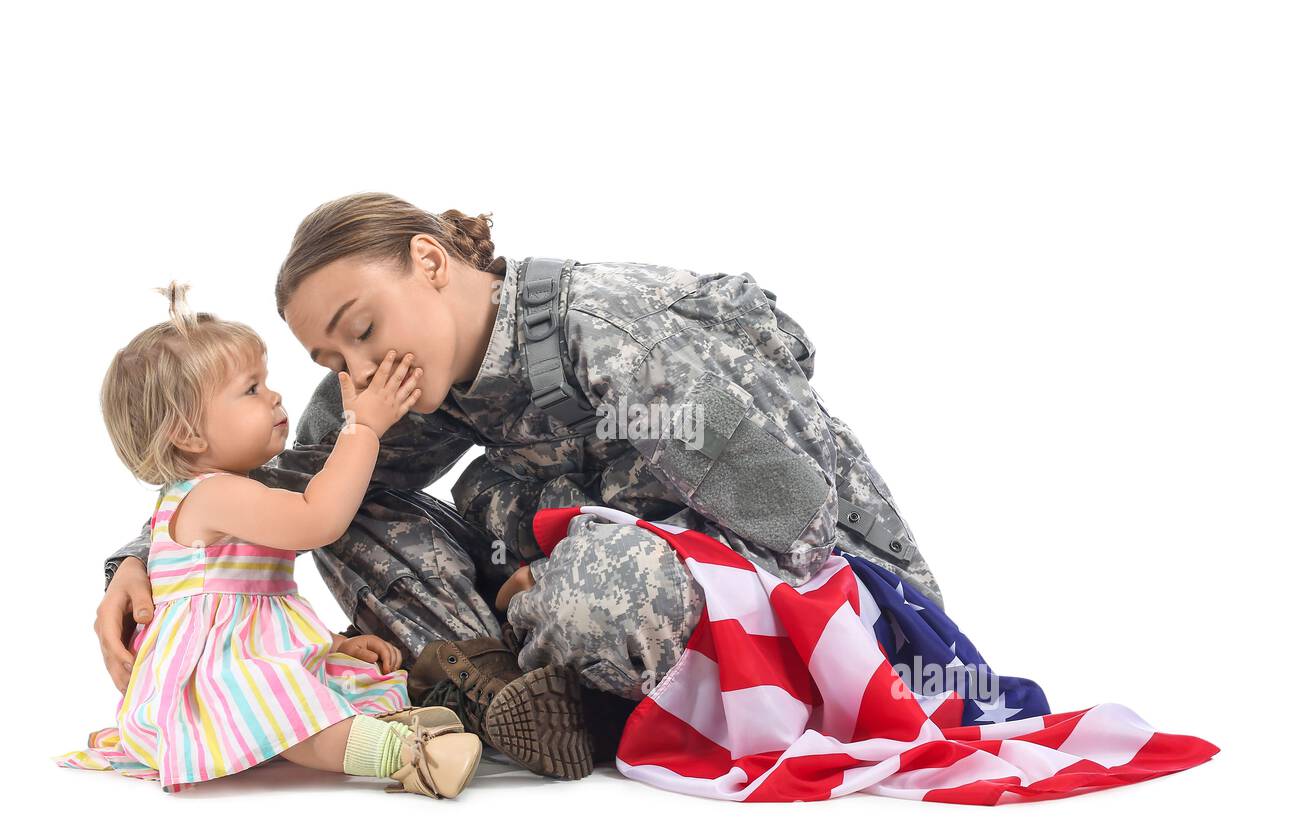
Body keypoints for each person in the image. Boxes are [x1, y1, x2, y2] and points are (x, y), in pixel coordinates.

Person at [96, 193, 946, 781]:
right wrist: (147, 557)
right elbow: (285, 496)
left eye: (361, 330)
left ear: (428, 261)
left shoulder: (601, 332)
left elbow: (788, 509)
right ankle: (509, 694)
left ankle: (561, 671)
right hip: (587, 594)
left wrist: (572, 554)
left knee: (594, 593)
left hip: (809, 579)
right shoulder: (396, 381)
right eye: (332, 360)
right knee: (346, 499)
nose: (358, 370)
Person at [61, 284, 481, 799]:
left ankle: (401, 717)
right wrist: (363, 429)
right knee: (287, 711)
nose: (275, 396)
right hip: (218, 680)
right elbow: (318, 519)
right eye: (251, 389)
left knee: (329, 678)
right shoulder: (214, 496)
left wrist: (331, 643)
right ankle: (403, 755)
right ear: (189, 434)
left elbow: (257, 620)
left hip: (242, 659)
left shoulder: (224, 492)